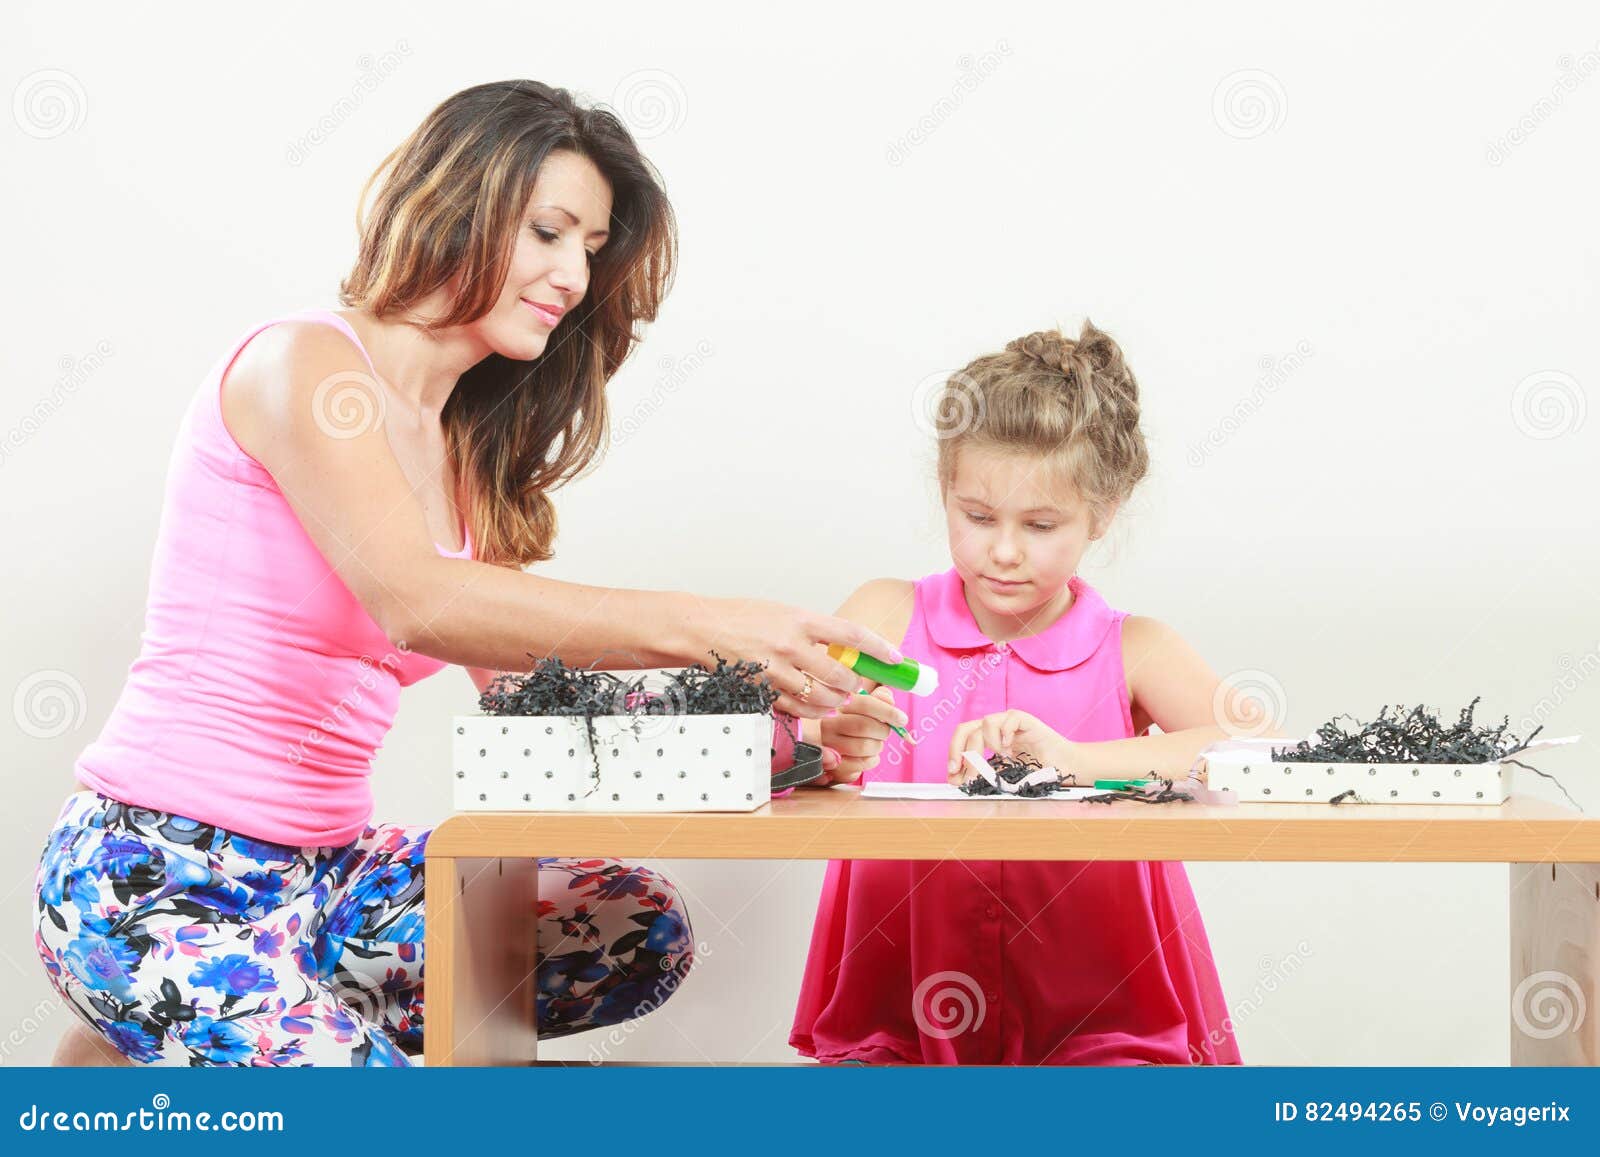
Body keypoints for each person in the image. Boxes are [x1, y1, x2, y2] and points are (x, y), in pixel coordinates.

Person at [34, 79, 896, 1067]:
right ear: (460, 202)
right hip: (162, 871)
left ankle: (157, 1065)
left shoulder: (462, 459)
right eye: (548, 231)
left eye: (590, 246)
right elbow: (418, 604)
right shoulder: (304, 368)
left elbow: (537, 709)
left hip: (331, 879)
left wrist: (782, 741)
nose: (572, 273)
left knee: (632, 925)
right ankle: (159, 1046)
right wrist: (715, 624)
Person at [791, 320, 1260, 1065]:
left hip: (1100, 1005)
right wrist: (825, 749)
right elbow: (777, 743)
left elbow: (1250, 748)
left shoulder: (1130, 646)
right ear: (945, 492)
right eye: (977, 516)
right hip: (901, 1002)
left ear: (1101, 515)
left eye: (1041, 524)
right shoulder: (884, 616)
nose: (1003, 550)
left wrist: (1075, 761)